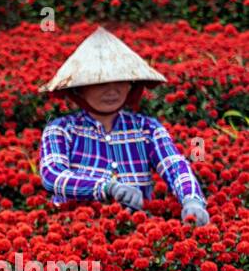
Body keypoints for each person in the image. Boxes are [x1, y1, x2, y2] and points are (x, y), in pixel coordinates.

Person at [39, 26, 209, 226]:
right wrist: (106, 188)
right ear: (79, 89)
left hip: (136, 229)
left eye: (121, 82)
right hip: (76, 228)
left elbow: (175, 165)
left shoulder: (147, 128)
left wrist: (191, 200)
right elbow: (53, 175)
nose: (112, 91)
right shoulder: (61, 130)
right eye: (101, 83)